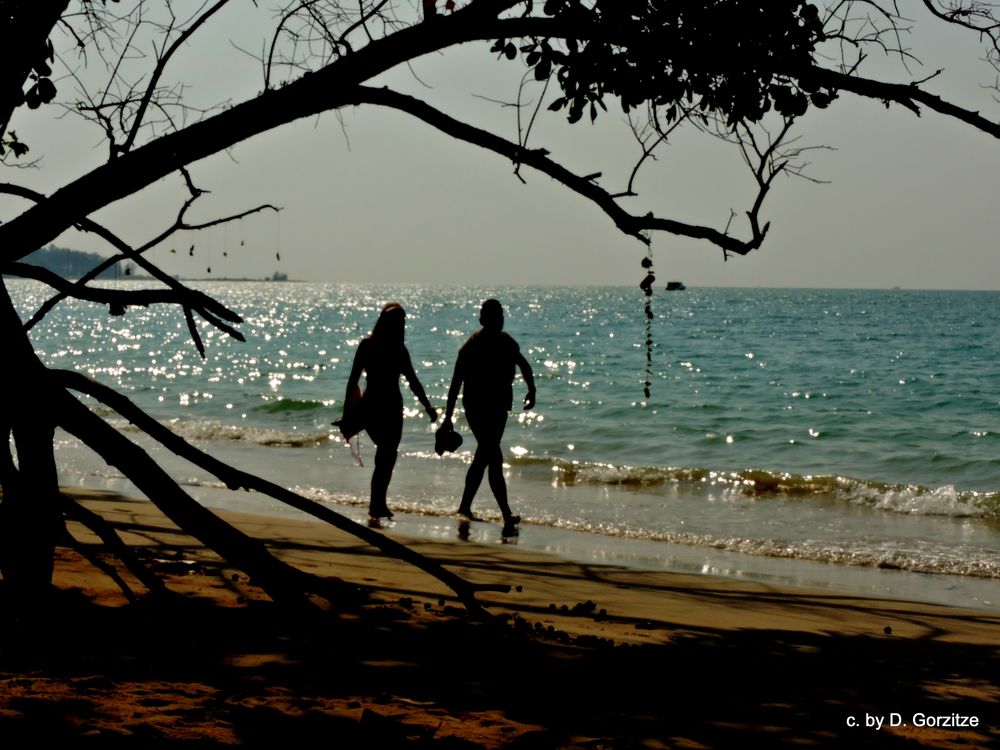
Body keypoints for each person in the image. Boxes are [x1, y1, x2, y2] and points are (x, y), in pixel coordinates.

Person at [443, 299, 535, 528]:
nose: (499, 320)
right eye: (494, 316)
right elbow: (455, 385)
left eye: (500, 315)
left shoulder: (507, 343)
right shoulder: (471, 347)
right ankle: (506, 514)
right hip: (476, 408)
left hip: (500, 408)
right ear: (483, 319)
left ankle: (465, 506)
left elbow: (524, 365)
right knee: (493, 456)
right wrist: (447, 417)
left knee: (483, 457)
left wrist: (532, 390)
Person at [344, 302, 437, 520]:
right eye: (398, 321)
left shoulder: (393, 349)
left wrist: (427, 406)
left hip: (389, 408)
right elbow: (353, 379)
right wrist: (348, 411)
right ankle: (376, 505)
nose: (401, 326)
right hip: (377, 407)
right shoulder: (372, 346)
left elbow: (413, 381)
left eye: (402, 322)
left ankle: (378, 503)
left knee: (387, 455)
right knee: (386, 454)